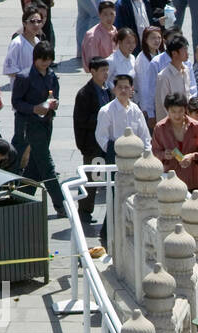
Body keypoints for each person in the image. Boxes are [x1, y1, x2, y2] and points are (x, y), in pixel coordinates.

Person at [11, 41, 62, 215]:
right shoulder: (24, 77)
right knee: (46, 165)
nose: (45, 63)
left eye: (48, 60)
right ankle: (61, 204)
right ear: (35, 59)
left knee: (35, 164)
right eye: (42, 60)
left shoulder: (51, 75)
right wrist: (33, 108)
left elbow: (55, 94)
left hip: (46, 122)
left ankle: (22, 200)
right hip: (29, 124)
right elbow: (16, 102)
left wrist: (53, 104)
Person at [74, 57, 112, 215]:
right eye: (102, 70)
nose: (106, 73)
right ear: (93, 72)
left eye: (106, 70)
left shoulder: (107, 90)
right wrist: (101, 118)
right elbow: (81, 121)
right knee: (91, 179)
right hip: (91, 144)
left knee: (100, 178)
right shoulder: (85, 93)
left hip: (106, 141)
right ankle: (84, 211)